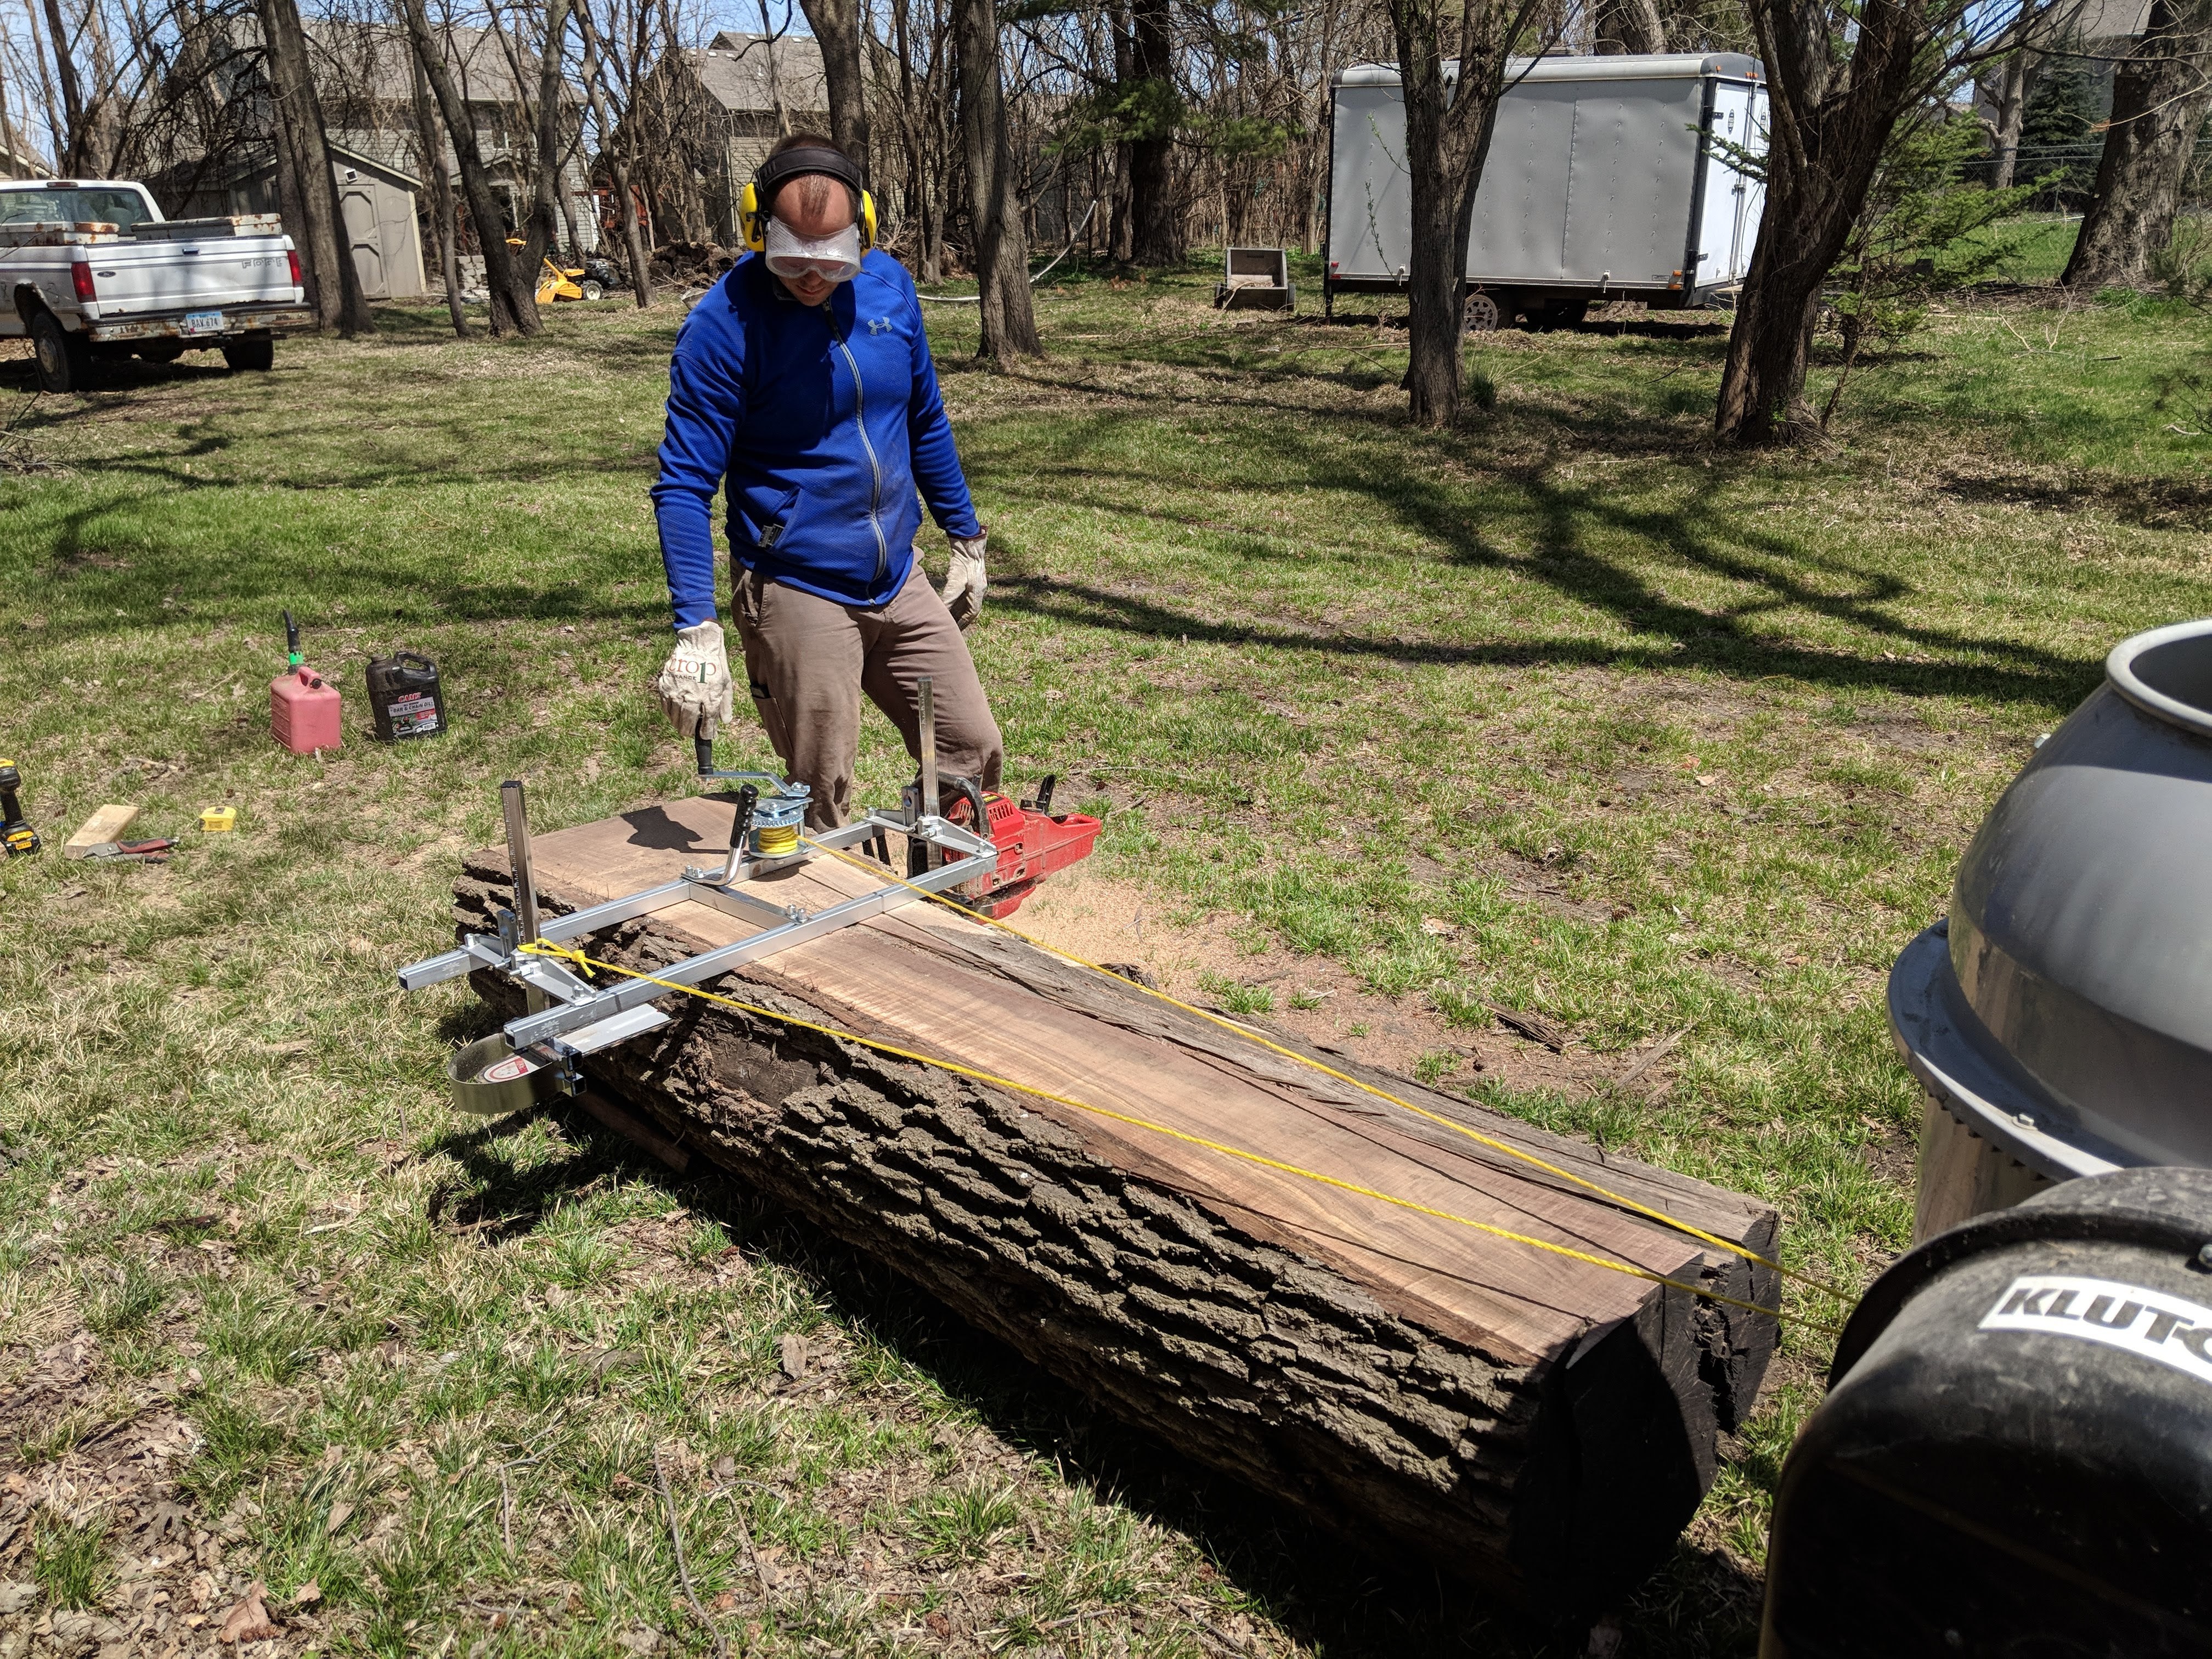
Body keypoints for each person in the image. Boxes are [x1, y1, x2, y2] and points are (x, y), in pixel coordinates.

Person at [650, 133, 1000, 828]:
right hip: (796, 581)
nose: (813, 277)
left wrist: (966, 537)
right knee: (819, 790)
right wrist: (697, 627)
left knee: (970, 747)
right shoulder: (722, 328)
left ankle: (959, 908)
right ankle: (832, 921)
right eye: (792, 259)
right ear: (757, 231)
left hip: (897, 575)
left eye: (832, 260)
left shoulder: (889, 289)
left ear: (862, 234)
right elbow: (684, 484)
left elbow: (923, 415)